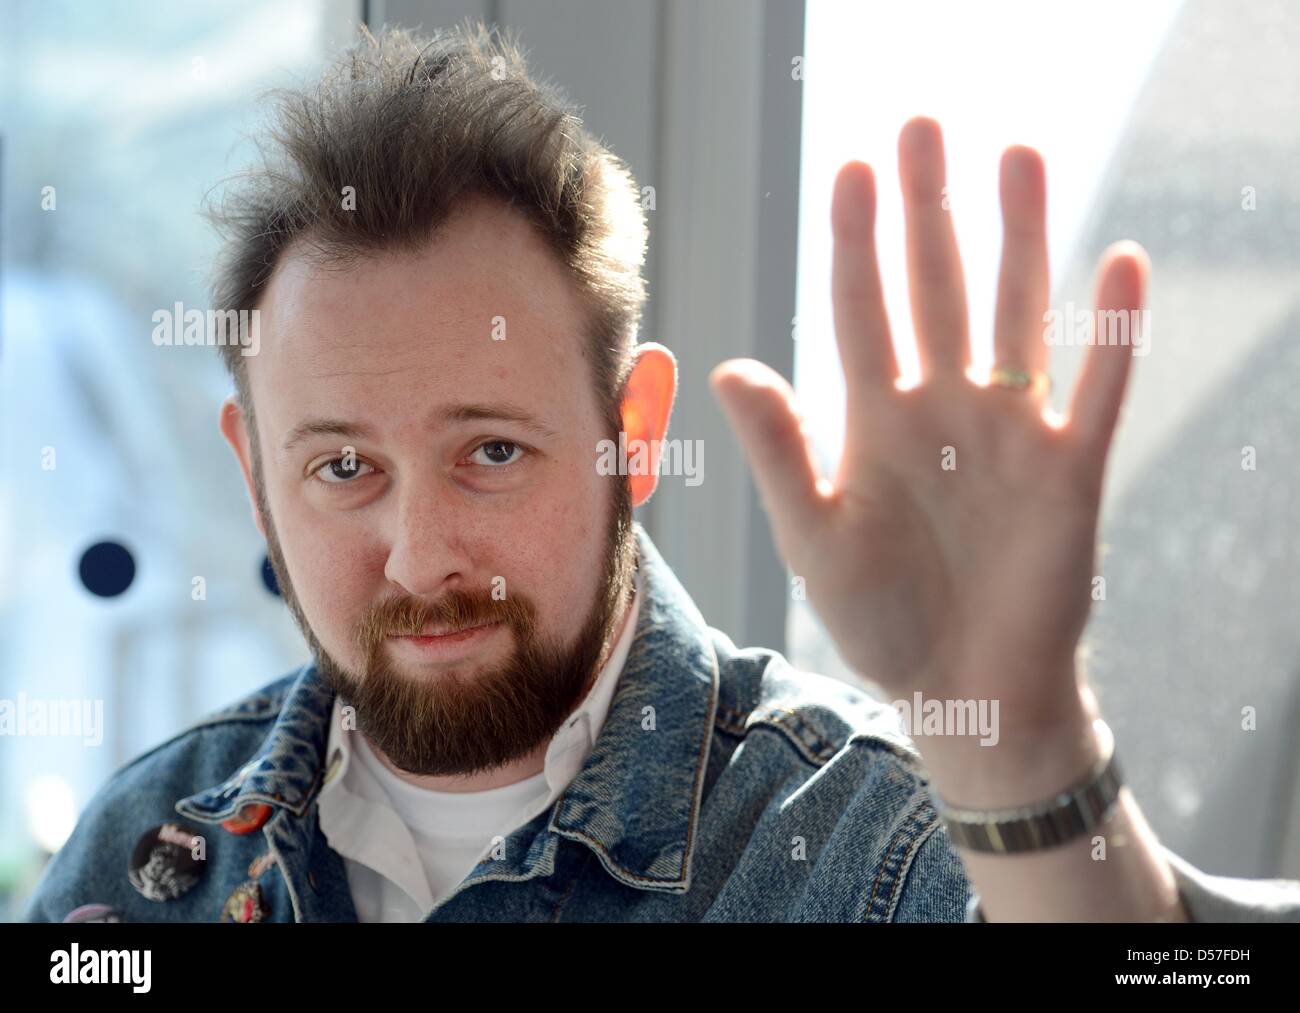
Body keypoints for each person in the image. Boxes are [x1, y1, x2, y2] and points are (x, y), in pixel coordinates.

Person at [23, 22, 1300, 923]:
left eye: (492, 452)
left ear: (632, 432)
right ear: (253, 474)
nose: (422, 559)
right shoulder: (148, 854)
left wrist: (1023, 741)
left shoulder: (862, 845)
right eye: (344, 466)